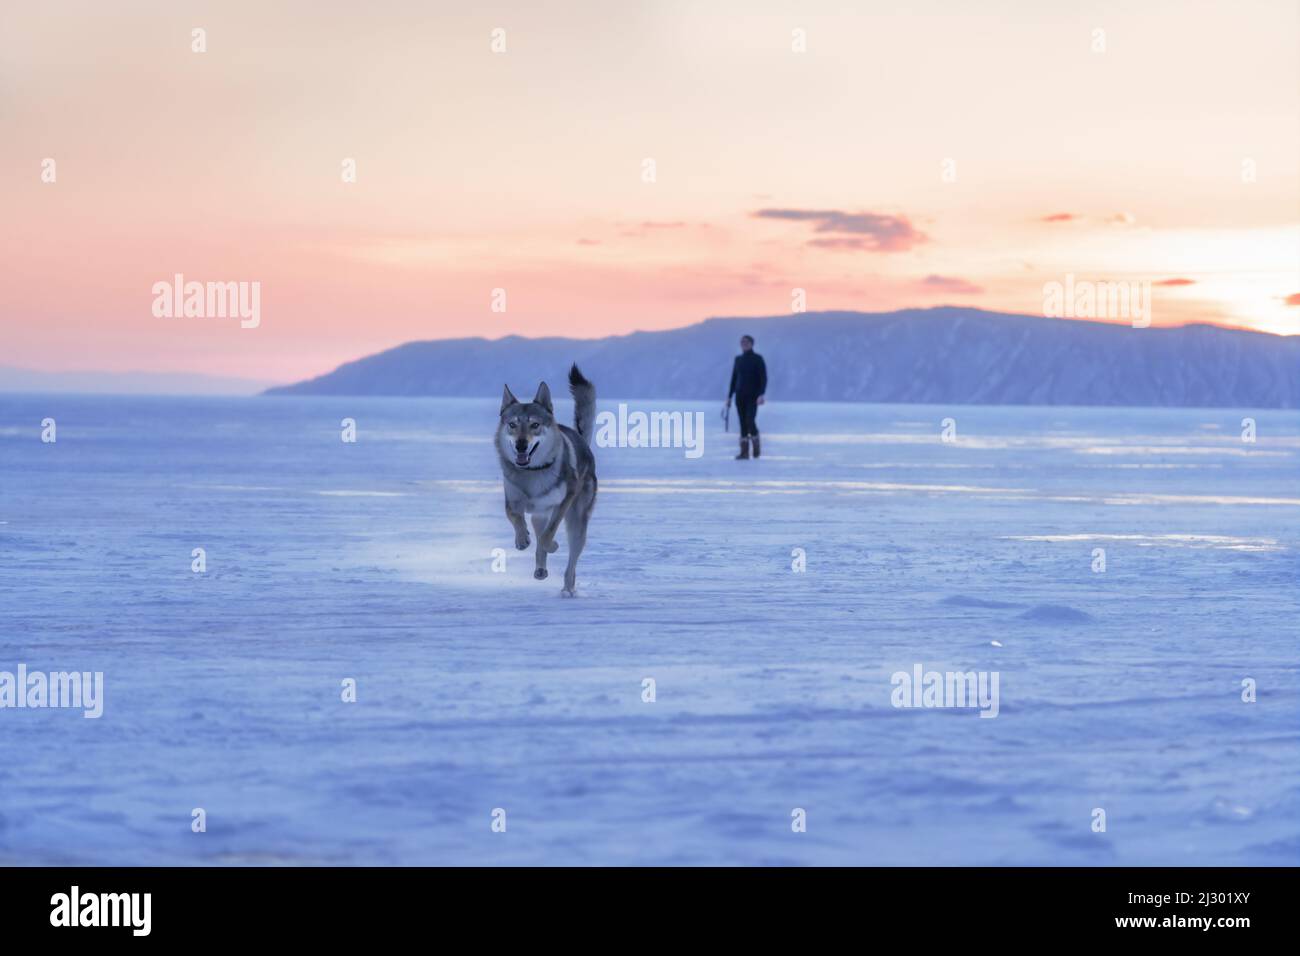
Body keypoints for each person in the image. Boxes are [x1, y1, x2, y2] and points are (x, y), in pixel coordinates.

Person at [724, 334, 766, 459]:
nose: (744, 344)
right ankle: (744, 452)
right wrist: (729, 396)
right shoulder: (738, 359)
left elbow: (763, 378)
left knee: (750, 420)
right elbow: (734, 378)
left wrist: (761, 394)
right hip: (739, 396)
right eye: (742, 342)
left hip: (753, 396)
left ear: (752, 344)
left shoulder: (758, 359)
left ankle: (756, 444)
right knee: (742, 423)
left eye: (746, 342)